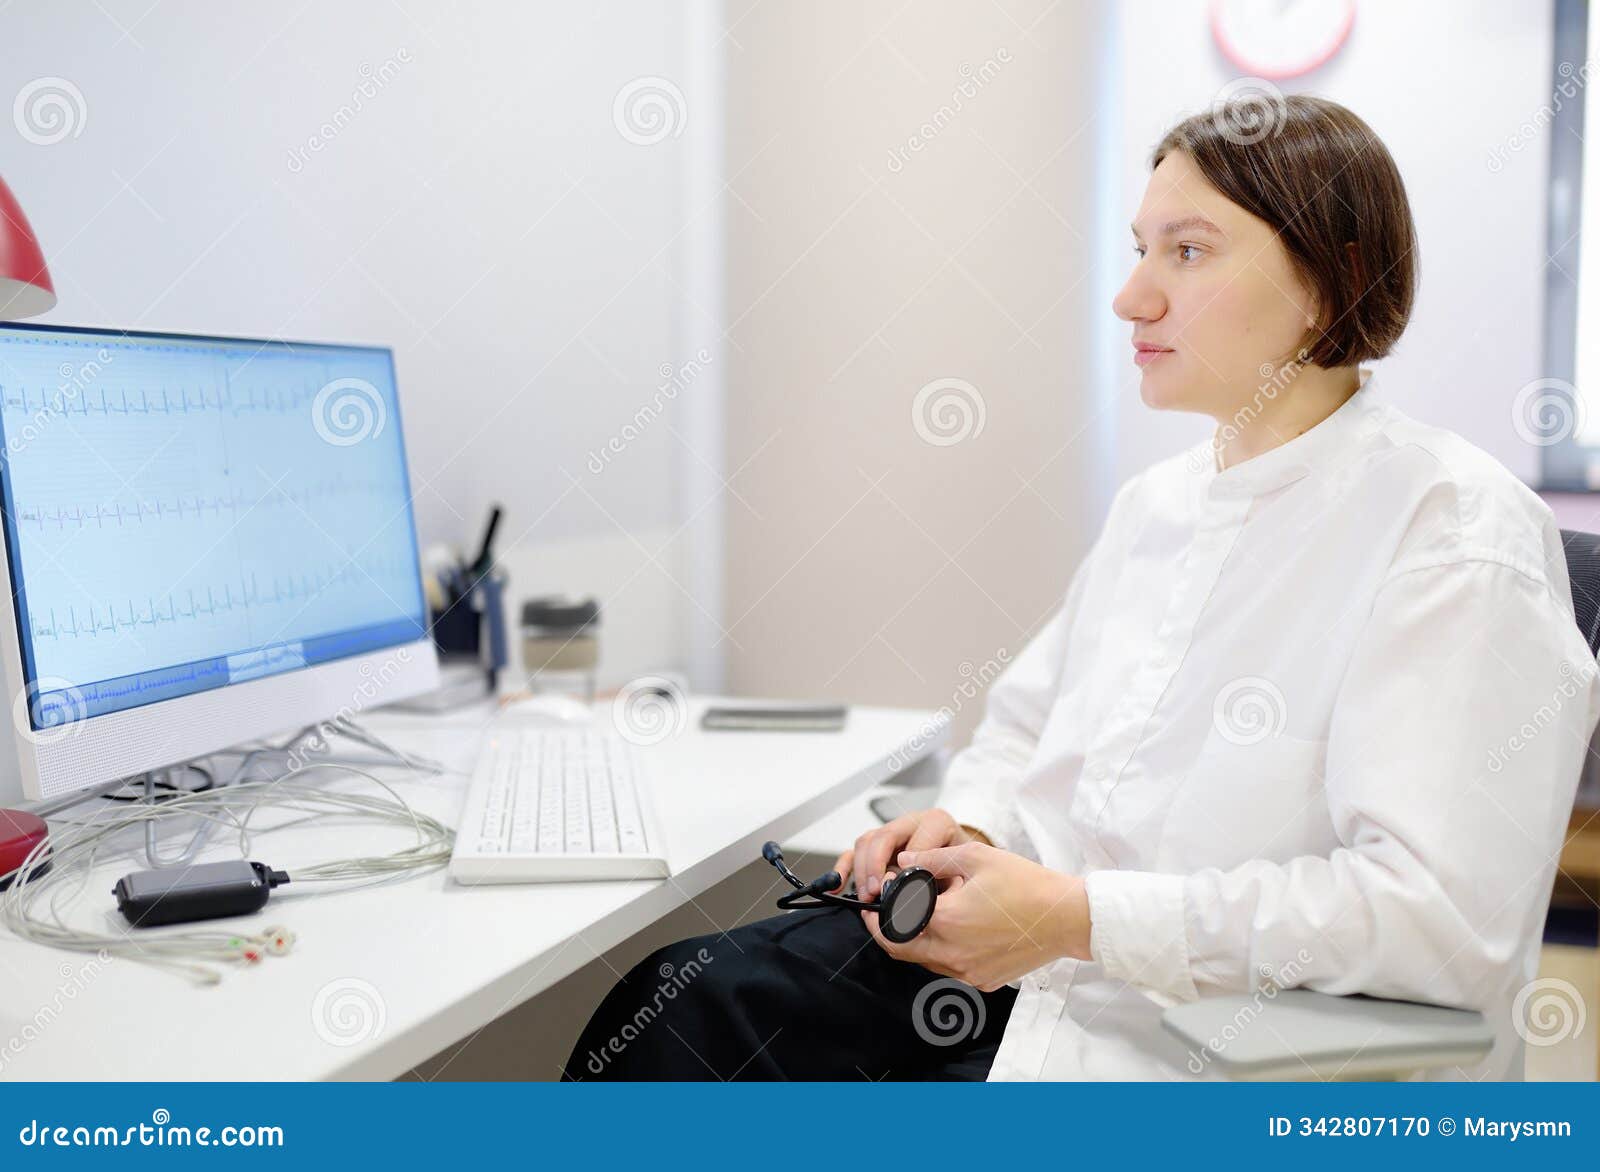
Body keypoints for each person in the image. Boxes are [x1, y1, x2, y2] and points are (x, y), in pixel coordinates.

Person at [565, 94, 1600, 1081]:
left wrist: (1079, 916)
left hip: (1225, 1055)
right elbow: (1021, 735)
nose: (1130, 296)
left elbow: (1436, 927)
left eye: (1185, 250)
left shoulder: (1451, 532)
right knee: (676, 1003)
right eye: (1139, 249)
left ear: (1335, 277)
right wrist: (963, 830)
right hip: (1045, 979)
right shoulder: (1157, 507)